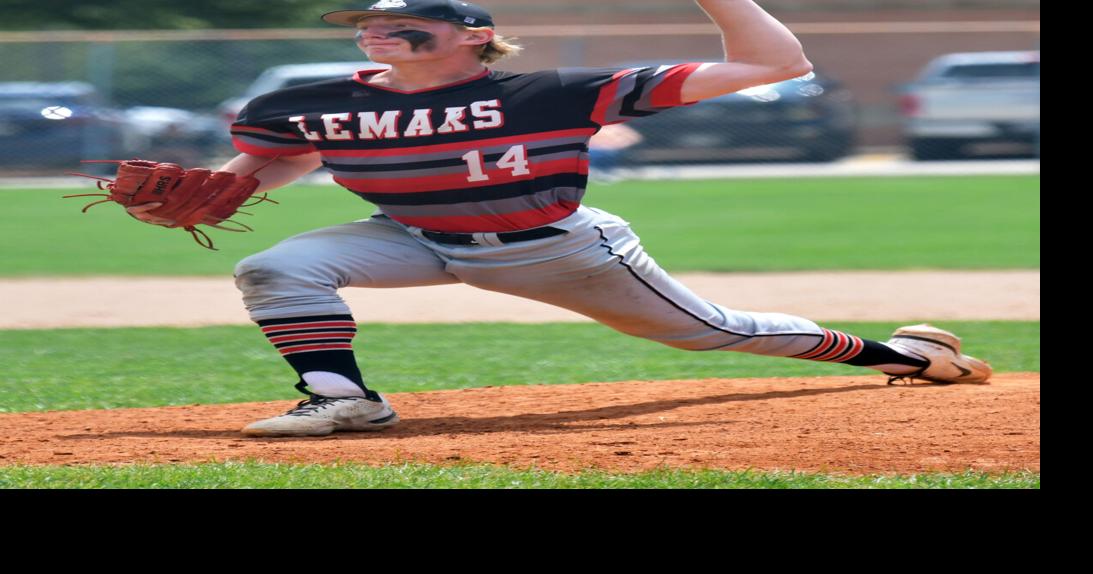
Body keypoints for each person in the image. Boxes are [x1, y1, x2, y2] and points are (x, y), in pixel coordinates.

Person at [158, 0, 992, 437]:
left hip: (553, 249)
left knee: (716, 330)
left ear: (473, 37)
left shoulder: (549, 92)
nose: (376, 30)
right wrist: (223, 188)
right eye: (366, 23)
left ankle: (906, 355)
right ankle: (340, 398)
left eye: (403, 21)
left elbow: (777, 63)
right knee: (277, 266)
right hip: (410, 238)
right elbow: (282, 159)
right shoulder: (304, 101)